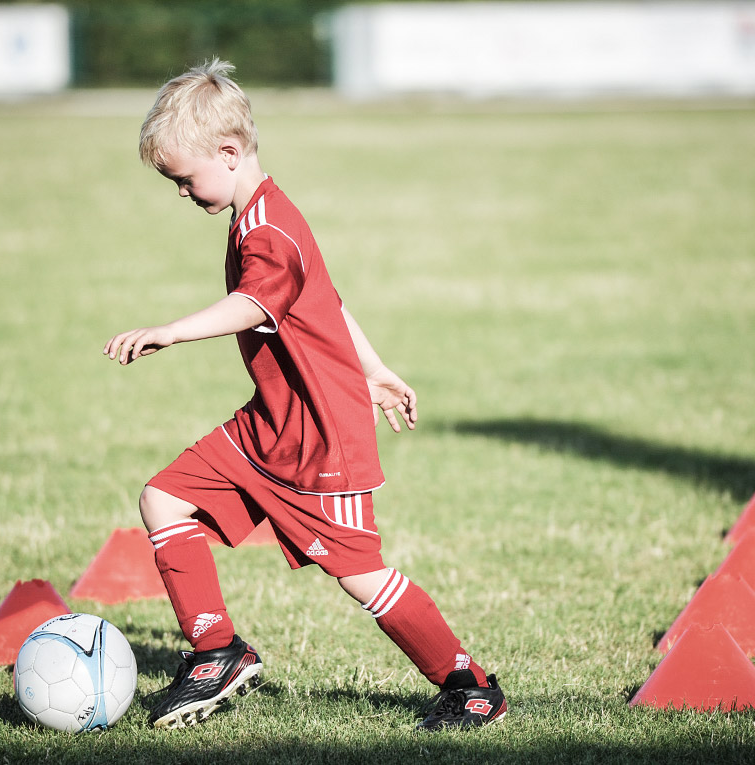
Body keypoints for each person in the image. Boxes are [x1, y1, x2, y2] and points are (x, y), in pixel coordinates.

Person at [103, 59, 507, 732]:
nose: (179, 192)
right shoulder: (263, 212)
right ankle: (216, 649)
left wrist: (172, 331)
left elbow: (252, 304)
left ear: (228, 154)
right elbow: (326, 300)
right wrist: (374, 366)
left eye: (182, 177)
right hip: (270, 426)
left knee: (360, 574)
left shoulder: (268, 229)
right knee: (163, 496)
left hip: (321, 437)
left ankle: (469, 685)